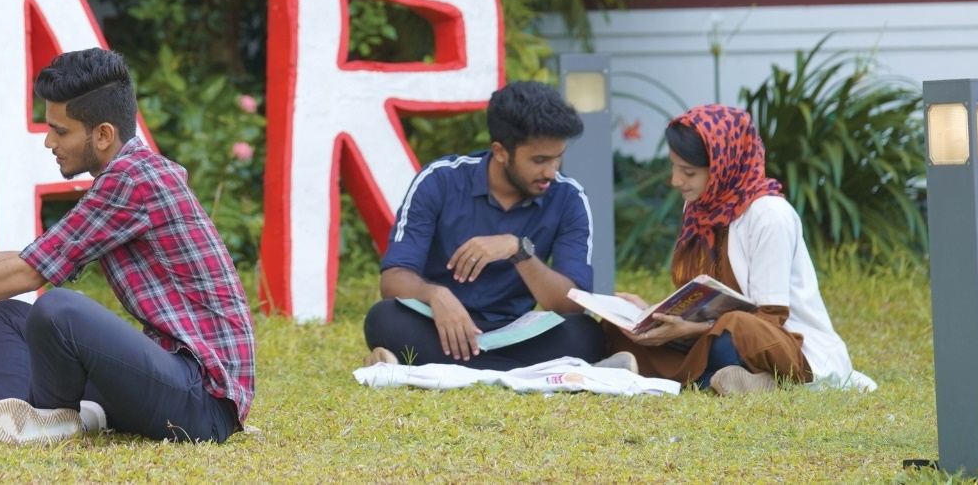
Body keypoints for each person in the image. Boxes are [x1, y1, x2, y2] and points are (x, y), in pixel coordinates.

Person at [0, 48, 255, 445]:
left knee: (60, 309)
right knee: (6, 318)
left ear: (104, 134)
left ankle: (59, 419)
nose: (48, 142)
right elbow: (33, 258)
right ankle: (35, 419)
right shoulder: (129, 175)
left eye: (60, 130)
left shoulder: (132, 180)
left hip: (203, 403)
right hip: (169, 383)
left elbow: (27, 272)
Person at [598, 105, 858, 393]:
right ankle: (731, 380)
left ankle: (745, 379)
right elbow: (698, 299)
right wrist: (652, 316)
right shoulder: (699, 206)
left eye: (689, 172)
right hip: (706, 336)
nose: (676, 181)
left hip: (777, 341)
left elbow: (770, 319)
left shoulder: (769, 215)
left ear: (724, 166)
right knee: (616, 329)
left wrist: (694, 330)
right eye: (674, 167)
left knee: (734, 331)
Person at [362, 81, 607, 370]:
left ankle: (414, 365)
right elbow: (393, 280)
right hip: (440, 325)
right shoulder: (439, 180)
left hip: (516, 332)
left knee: (586, 333)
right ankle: (535, 370)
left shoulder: (569, 197)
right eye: (539, 160)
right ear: (501, 151)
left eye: (557, 158)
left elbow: (571, 305)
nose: (551, 172)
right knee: (384, 318)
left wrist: (519, 251)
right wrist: (435, 295)